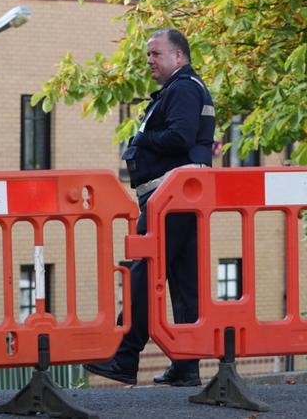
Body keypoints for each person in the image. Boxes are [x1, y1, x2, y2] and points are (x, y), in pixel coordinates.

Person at [84, 28, 215, 386]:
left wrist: (141, 139)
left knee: (143, 272)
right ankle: (187, 366)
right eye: (147, 55)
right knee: (184, 283)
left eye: (156, 54)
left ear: (179, 57)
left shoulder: (184, 88)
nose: (150, 61)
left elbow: (180, 137)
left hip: (170, 200)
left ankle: (124, 356)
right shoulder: (182, 89)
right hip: (180, 199)